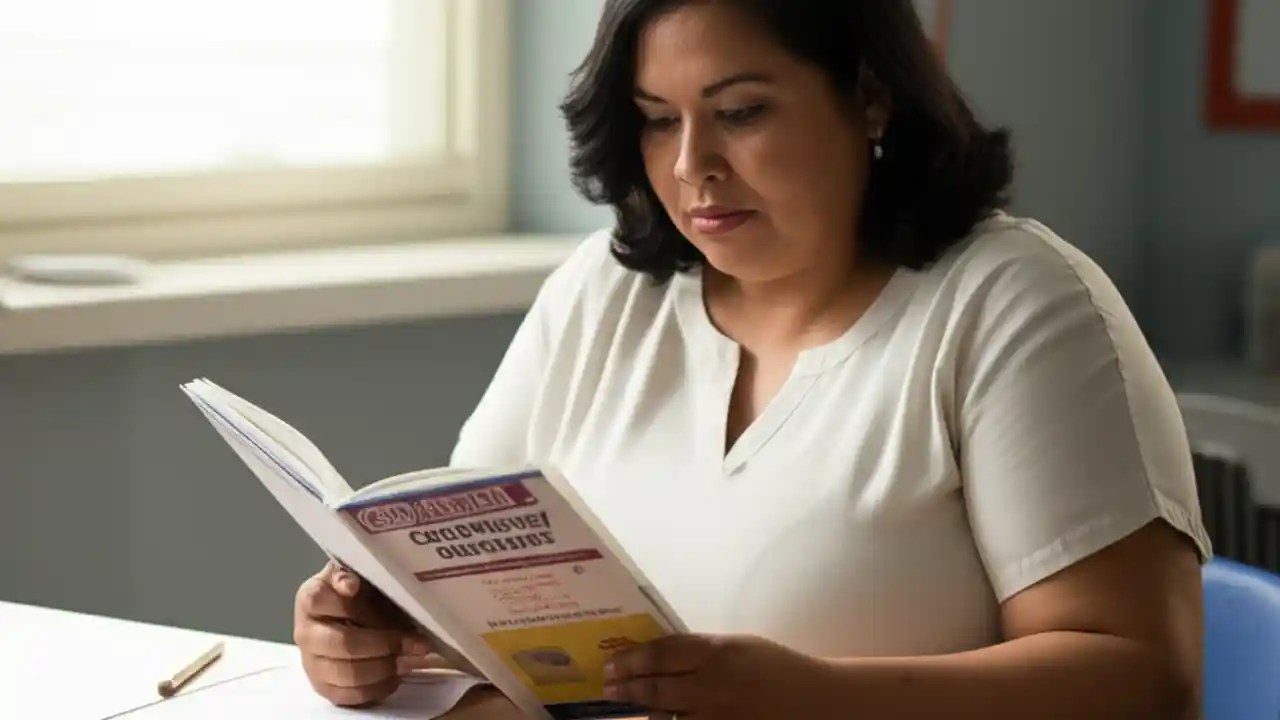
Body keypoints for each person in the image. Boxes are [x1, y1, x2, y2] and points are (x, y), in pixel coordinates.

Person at [293, 0, 1212, 717]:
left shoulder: (1011, 305)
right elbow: (461, 586)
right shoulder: (606, 290)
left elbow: (1139, 682)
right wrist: (381, 632)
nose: (693, 164)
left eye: (739, 112)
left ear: (869, 96)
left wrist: (817, 701)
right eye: (657, 119)